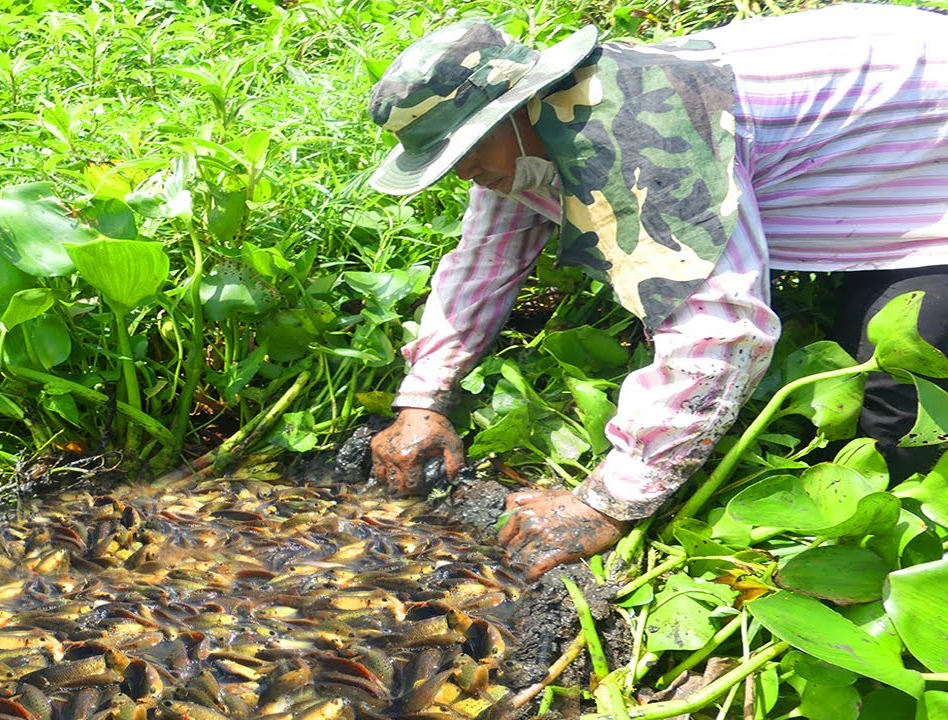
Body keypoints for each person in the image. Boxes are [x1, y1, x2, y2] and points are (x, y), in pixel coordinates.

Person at [364, 4, 948, 580]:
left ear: (512, 112)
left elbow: (721, 337)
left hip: (930, 125)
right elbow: (485, 262)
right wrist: (424, 398)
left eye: (465, 152)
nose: (462, 172)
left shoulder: (638, 142)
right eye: (446, 160)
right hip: (878, 105)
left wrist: (607, 501)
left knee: (898, 390)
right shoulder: (530, 129)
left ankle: (888, 553)